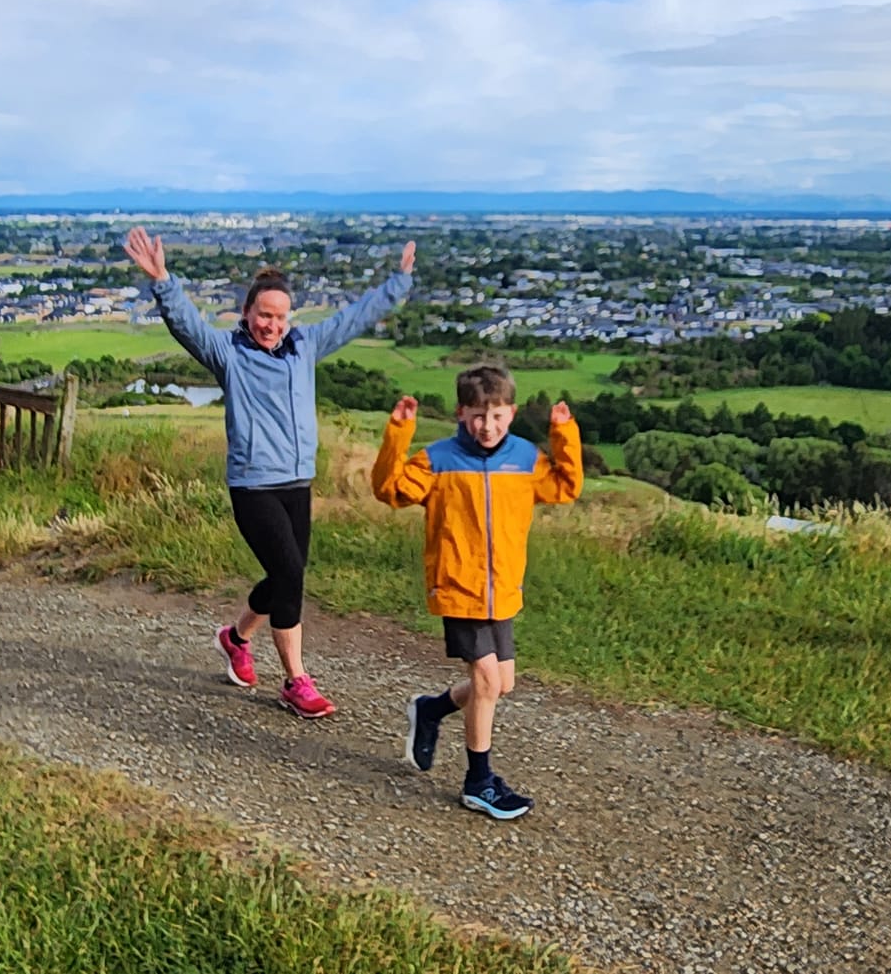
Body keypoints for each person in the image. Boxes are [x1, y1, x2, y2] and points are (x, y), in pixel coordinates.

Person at [123, 225, 414, 719]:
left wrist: (398, 283)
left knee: (284, 575)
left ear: (289, 318)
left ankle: (236, 638)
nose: (271, 325)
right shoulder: (229, 354)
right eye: (263, 315)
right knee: (290, 575)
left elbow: (354, 318)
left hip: (297, 482)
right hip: (253, 485)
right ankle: (296, 681)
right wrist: (162, 281)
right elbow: (187, 326)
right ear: (247, 313)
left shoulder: (305, 346)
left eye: (280, 317)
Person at [372, 366, 583, 820]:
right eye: (478, 417)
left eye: (497, 416)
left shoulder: (525, 458)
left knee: (502, 684)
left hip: (503, 590)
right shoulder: (438, 460)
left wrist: (563, 435)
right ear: (460, 413)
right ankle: (478, 782)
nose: (488, 427)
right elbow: (389, 490)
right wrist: (398, 433)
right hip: (458, 587)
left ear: (512, 413)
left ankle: (431, 710)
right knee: (486, 681)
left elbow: (566, 487)